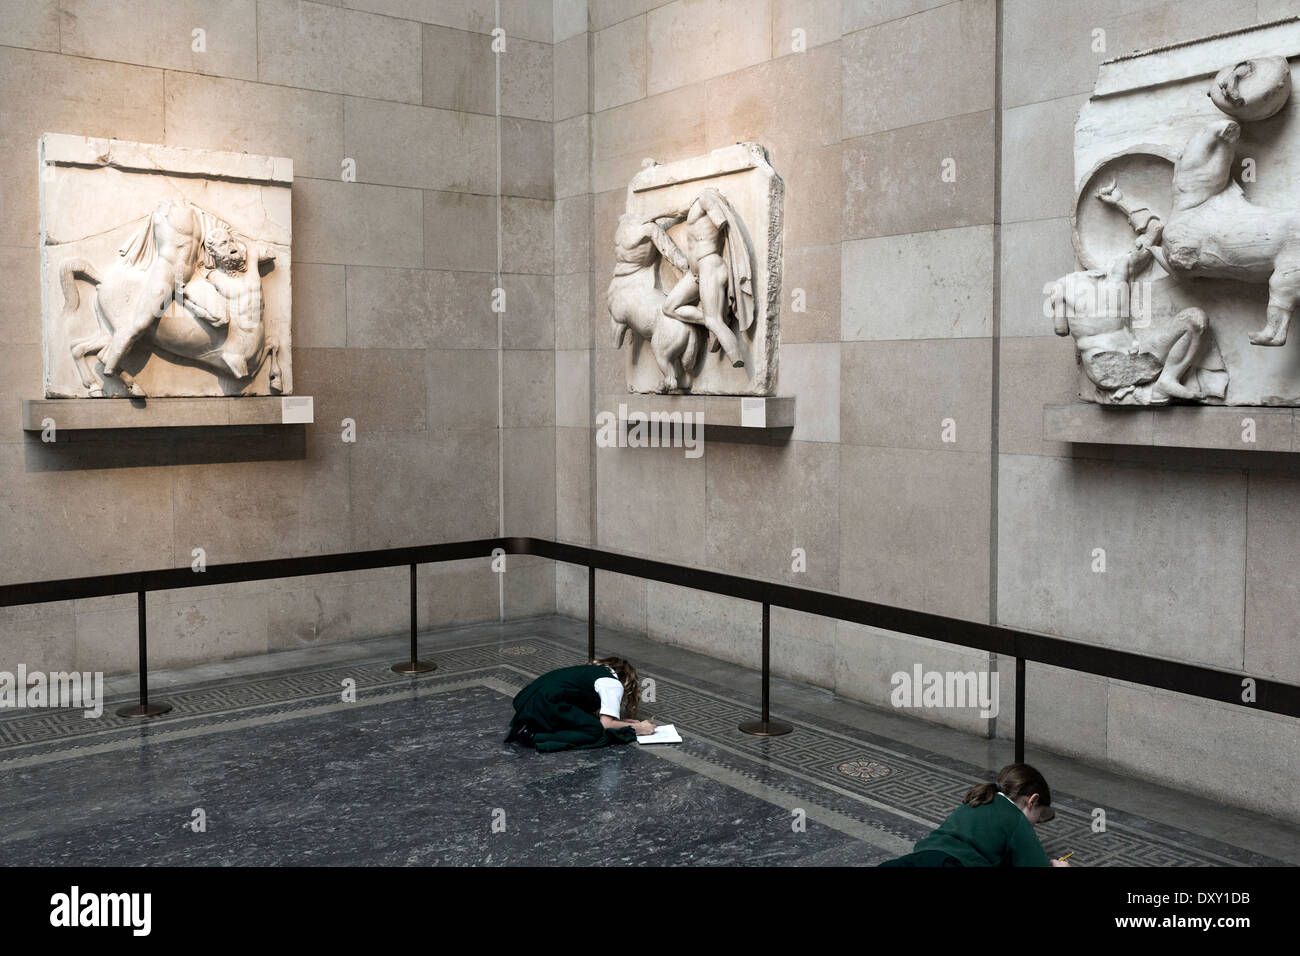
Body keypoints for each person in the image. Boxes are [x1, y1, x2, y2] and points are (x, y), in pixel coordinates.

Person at [879, 763, 1071, 867]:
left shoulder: (980, 800)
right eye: (1037, 818)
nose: (1034, 825)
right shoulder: (1017, 819)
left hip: (919, 859)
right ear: (1032, 801)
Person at [504, 657, 657, 753]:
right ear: (626, 681)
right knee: (595, 731)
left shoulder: (594, 671)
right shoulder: (613, 684)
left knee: (587, 721)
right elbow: (605, 724)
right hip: (547, 703)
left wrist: (622, 722)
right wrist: (638, 728)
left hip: (530, 700)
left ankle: (531, 727)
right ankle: (535, 737)